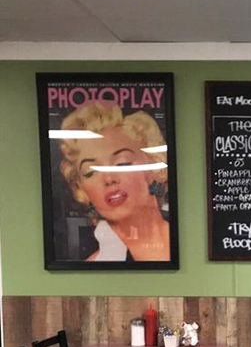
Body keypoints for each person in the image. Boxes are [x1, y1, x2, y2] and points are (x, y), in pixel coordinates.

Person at [58, 102, 171, 262]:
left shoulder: (191, 240)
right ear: (81, 189)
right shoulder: (94, 268)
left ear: (155, 164)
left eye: (122, 163)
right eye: (91, 171)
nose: (109, 178)